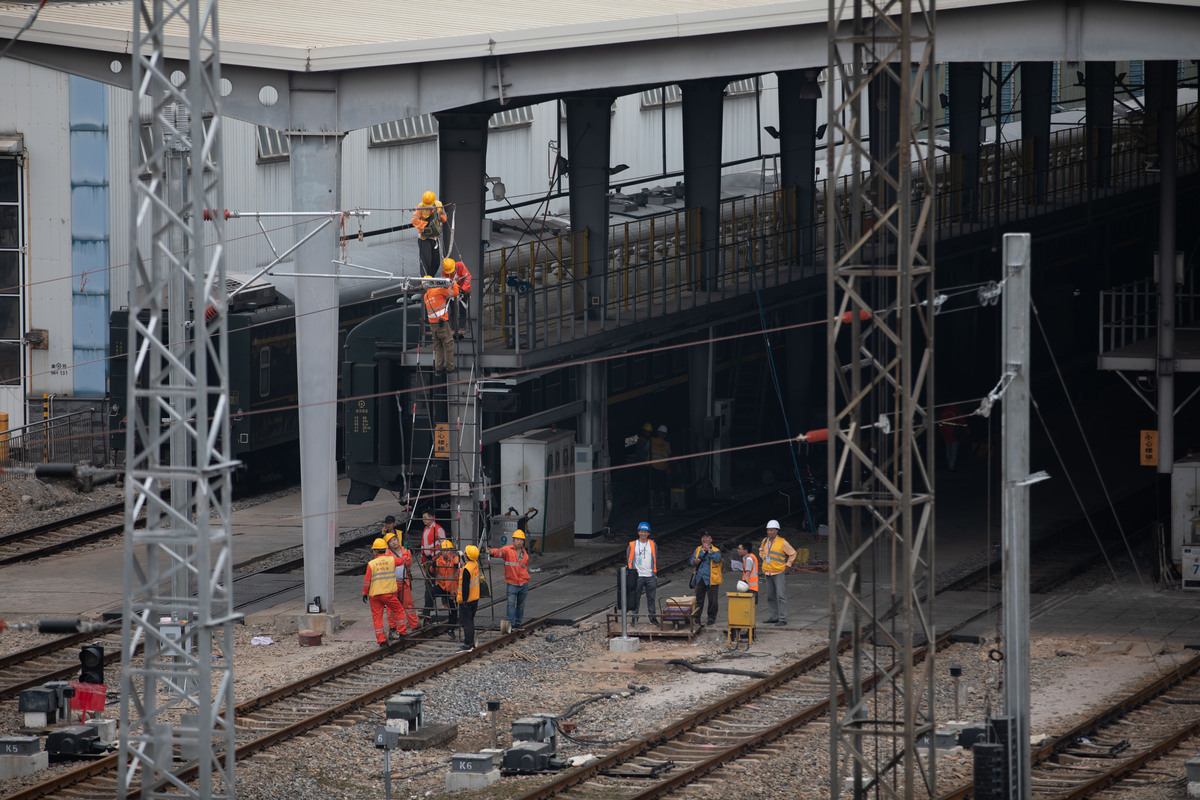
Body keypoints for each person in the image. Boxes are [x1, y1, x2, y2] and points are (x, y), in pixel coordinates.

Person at [362, 538, 404, 647]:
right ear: (385, 550)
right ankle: (402, 633)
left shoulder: (371, 564)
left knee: (377, 617)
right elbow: (402, 561)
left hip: (375, 595)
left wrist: (364, 593)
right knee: (399, 610)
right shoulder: (391, 560)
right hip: (388, 594)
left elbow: (367, 581)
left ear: (375, 551)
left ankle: (381, 641)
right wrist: (397, 551)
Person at [489, 528, 531, 633]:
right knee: (511, 604)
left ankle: (518, 623)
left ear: (523, 542)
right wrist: (490, 552)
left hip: (523, 583)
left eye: (521, 540)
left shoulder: (525, 554)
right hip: (512, 583)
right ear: (513, 540)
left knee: (521, 605)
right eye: (517, 539)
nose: (519, 542)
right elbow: (499, 552)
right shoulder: (508, 550)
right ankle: (510, 624)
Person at [759, 520, 797, 626]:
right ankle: (774, 616)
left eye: (771, 530)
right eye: (768, 530)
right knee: (770, 596)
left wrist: (788, 565)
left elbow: (793, 553)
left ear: (776, 531)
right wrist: (763, 557)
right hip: (768, 572)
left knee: (781, 596)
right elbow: (761, 550)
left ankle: (783, 618)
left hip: (778, 572)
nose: (769, 532)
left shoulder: (783, 542)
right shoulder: (765, 541)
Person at [424, 275, 460, 379]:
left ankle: (439, 369)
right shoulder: (439, 290)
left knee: (439, 347)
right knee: (448, 345)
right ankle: (450, 367)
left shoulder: (426, 295)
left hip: (433, 326)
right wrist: (455, 283)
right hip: (442, 324)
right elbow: (454, 293)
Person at [626, 521, 659, 627]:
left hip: (650, 576)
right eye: (641, 531)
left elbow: (655, 557)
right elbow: (628, 559)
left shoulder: (653, 544)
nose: (643, 534)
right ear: (638, 532)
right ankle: (634, 619)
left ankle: (652, 618)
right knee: (635, 598)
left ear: (648, 533)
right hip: (637, 576)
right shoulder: (632, 545)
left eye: (645, 532)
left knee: (651, 598)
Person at [384, 531, 419, 632]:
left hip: (404, 582)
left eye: (394, 540)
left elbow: (408, 563)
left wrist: (405, 552)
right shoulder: (387, 554)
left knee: (408, 605)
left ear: (398, 540)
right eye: (391, 541)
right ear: (388, 544)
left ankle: (413, 624)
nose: (394, 542)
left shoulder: (405, 550)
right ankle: (392, 626)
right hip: (392, 584)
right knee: (391, 606)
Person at [689, 531, 722, 627]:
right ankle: (697, 618)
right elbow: (691, 561)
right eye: (703, 537)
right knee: (698, 600)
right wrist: (694, 562)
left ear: (711, 539)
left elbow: (717, 559)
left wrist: (709, 550)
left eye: (707, 537)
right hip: (700, 578)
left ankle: (711, 618)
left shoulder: (716, 550)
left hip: (712, 578)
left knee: (713, 600)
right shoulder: (698, 549)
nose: (705, 539)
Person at [412, 190, 447, 276]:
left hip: (435, 238)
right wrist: (426, 227)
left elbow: (444, 216)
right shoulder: (420, 207)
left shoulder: (439, 205)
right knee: (425, 262)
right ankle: (425, 281)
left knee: (436, 262)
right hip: (424, 239)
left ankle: (430, 278)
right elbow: (414, 221)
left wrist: (440, 218)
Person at [420, 511, 448, 619]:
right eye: (423, 518)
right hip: (428, 558)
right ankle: (428, 605)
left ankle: (445, 603)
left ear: (432, 518)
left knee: (441, 580)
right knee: (428, 581)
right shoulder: (426, 529)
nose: (423, 520)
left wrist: (440, 557)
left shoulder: (438, 529)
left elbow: (443, 543)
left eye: (425, 518)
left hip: (436, 558)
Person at [456, 544, 482, 652]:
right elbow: (468, 559)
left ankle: (468, 644)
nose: (464, 554)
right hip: (475, 598)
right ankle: (471, 641)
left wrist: (464, 601)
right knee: (470, 620)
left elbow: (465, 587)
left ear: (468, 556)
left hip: (467, 599)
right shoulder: (475, 563)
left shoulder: (466, 569)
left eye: (465, 553)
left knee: (466, 622)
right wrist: (461, 554)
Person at [432, 539, 461, 635]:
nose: (447, 552)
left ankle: (451, 629)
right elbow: (431, 571)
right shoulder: (438, 560)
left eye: (449, 550)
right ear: (441, 551)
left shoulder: (455, 558)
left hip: (452, 589)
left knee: (452, 610)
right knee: (430, 592)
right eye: (445, 550)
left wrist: (457, 564)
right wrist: (432, 566)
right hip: (442, 586)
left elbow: (458, 564)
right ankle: (426, 612)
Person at [441, 257, 472, 336]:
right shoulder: (445, 273)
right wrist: (453, 289)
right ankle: (453, 328)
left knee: (462, 310)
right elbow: (446, 284)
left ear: (455, 267)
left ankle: (462, 327)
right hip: (453, 292)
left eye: (452, 271)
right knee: (452, 311)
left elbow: (468, 278)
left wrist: (463, 289)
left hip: (463, 291)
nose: (451, 273)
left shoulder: (461, 266)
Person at [937, 404, 966, 472]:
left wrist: (942, 432)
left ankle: (948, 464)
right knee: (953, 451)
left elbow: (940, 422)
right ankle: (951, 467)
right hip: (955, 434)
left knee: (948, 450)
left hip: (946, 434)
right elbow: (962, 422)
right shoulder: (957, 411)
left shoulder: (945, 411)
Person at [649, 425, 672, 509]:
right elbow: (669, 455)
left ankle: (651, 504)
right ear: (665, 435)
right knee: (662, 487)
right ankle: (662, 504)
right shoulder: (667, 444)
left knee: (652, 486)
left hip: (652, 468)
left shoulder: (651, 440)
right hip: (662, 468)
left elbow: (645, 450)